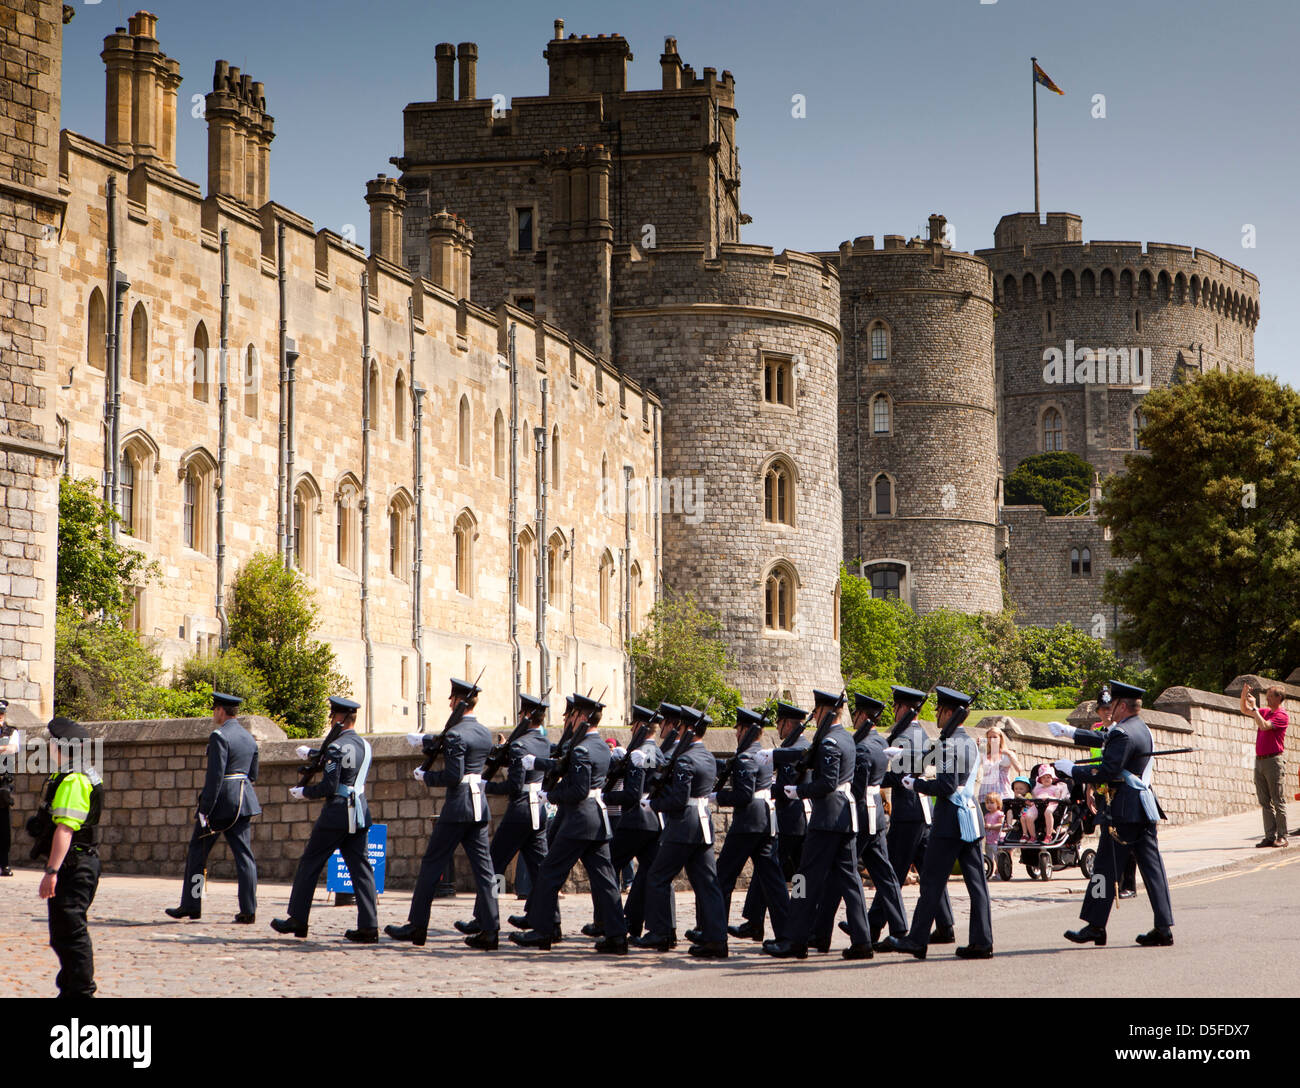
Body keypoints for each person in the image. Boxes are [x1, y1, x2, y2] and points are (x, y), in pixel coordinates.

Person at [1057, 680, 1175, 948]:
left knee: (1103, 870)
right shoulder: (1141, 729)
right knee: (1153, 870)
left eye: (1113, 706)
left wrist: (1073, 770)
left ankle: (1095, 925)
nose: (1111, 710)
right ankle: (1163, 926)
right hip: (1143, 808)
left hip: (1122, 811)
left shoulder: (1122, 733)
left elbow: (1108, 770)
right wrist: (1071, 732)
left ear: (1122, 705)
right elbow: (1105, 738)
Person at [508, 693, 629, 954]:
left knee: (549, 872)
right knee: (605, 879)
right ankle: (617, 935)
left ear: (582, 717)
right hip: (596, 819)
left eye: (573, 715)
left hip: (579, 820)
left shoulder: (583, 748)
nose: (570, 719)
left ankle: (543, 930)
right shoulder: (598, 746)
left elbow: (578, 790)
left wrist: (550, 795)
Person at [388, 678, 499, 950]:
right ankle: (490, 929)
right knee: (485, 871)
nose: (449, 703)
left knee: (431, 864)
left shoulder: (456, 733)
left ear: (459, 702)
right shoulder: (484, 733)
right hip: (478, 805)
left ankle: (417, 926)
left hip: (459, 805)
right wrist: (426, 740)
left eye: (452, 699)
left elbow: (452, 775)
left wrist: (426, 777)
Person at [763, 689, 873, 961]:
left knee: (802, 877)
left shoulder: (830, 742)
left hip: (827, 820)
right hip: (845, 818)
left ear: (825, 712)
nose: (814, 717)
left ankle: (794, 939)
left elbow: (827, 783)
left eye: (816, 712)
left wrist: (796, 792)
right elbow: (807, 755)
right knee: (850, 880)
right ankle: (863, 939)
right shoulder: (846, 738)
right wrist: (776, 755)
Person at [888, 686, 994, 960]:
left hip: (949, 822)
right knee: (977, 885)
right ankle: (982, 941)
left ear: (949, 712)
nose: (935, 714)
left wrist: (917, 784)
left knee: (932, 883)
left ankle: (917, 939)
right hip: (970, 819)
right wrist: (900, 759)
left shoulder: (949, 744)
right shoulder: (967, 741)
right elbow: (931, 760)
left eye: (939, 710)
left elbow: (945, 785)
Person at [272, 696, 377, 943]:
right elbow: (345, 767)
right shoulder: (365, 745)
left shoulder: (335, 746)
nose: (331, 722)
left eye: (332, 718)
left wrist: (305, 792)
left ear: (339, 719)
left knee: (310, 863)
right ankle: (369, 926)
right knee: (362, 870)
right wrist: (314, 753)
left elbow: (330, 785)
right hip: (360, 812)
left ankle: (298, 919)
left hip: (337, 813)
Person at [632, 706, 728, 958]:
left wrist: (653, 804)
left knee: (657, 877)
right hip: (702, 823)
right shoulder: (705, 755)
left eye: (681, 728)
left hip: (685, 826)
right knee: (708, 884)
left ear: (687, 729)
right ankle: (715, 938)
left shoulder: (686, 759)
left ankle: (660, 932)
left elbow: (678, 799)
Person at [459, 692, 557, 938]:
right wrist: (505, 751)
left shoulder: (519, 745)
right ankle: (552, 921)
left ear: (525, 715)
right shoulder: (543, 742)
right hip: (538, 811)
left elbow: (513, 786)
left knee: (493, 867)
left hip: (520, 811)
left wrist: (486, 787)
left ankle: (485, 918)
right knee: (540, 870)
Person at [818, 692, 908, 953]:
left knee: (839, 875)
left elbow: (855, 788)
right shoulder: (879, 741)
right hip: (877, 813)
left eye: (856, 714)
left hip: (858, 813)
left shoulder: (861, 746)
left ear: (862, 715)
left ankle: (825, 931)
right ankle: (899, 926)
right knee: (884, 873)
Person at [872, 685, 957, 948]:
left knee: (892, 872)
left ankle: (875, 926)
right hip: (922, 810)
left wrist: (872, 780)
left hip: (908, 811)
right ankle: (944, 925)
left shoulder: (904, 737)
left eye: (896, 707)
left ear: (903, 708)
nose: (894, 713)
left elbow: (898, 777)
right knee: (930, 872)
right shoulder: (920, 733)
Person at [166, 692, 260, 923]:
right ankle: (248, 910)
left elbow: (215, 777)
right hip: (244, 800)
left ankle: (192, 904)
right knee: (244, 857)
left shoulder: (219, 736)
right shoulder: (249, 738)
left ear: (220, 711)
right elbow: (253, 774)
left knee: (198, 852)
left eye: (214, 710)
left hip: (221, 804)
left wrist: (204, 808)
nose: (213, 714)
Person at [30, 716, 103, 997]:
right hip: (78, 862)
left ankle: (81, 992)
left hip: (75, 864)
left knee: (71, 933)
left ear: (60, 746)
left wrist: (52, 871)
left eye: (51, 741)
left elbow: (65, 829)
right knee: (63, 933)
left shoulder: (73, 779)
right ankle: (70, 989)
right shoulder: (76, 772)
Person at [708, 707, 790, 945]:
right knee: (772, 882)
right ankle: (786, 933)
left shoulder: (746, 757)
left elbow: (743, 795)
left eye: (738, 730)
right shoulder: (762, 754)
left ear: (745, 730)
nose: (735, 734)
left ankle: (714, 934)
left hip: (748, 824)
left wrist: (719, 798)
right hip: (765, 821)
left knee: (722, 877)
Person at [733, 700, 809, 941]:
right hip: (798, 820)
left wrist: (766, 792)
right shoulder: (798, 745)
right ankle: (793, 917)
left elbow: (786, 785)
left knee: (772, 873)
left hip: (790, 820)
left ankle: (772, 921)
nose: (778, 729)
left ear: (787, 723)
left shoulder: (795, 749)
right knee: (793, 874)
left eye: (780, 724)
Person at [593, 703, 665, 940]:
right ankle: (637, 923)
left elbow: (633, 794)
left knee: (606, 866)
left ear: (638, 727)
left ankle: (609, 922)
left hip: (635, 820)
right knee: (649, 873)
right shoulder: (656, 751)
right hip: (654, 821)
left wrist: (605, 796)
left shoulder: (640, 753)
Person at [1241, 683, 1289, 848]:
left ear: (1278, 698)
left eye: (1269, 695)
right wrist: (1243, 696)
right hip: (1260, 760)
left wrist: (1255, 708)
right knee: (1264, 801)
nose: (1266, 698)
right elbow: (1245, 710)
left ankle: (1282, 836)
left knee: (1278, 800)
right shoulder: (1266, 712)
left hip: (1274, 761)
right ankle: (1269, 836)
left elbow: (1264, 726)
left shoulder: (1281, 715)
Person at [1023, 764, 1068, 843]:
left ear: (1052, 778)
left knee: (1048, 812)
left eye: (1048, 777)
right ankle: (1033, 836)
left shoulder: (1056, 787)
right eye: (1043, 777)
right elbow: (1034, 797)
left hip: (1051, 803)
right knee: (1028, 815)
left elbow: (1059, 798)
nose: (1046, 779)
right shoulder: (1037, 789)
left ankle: (1048, 835)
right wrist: (1030, 801)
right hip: (1038, 804)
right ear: (1040, 780)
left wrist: (1052, 798)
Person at [978, 724, 1022, 802]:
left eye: (995, 737)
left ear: (1000, 738)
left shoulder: (1007, 754)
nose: (992, 739)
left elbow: (1019, 769)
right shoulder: (984, 754)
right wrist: (979, 747)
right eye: (990, 737)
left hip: (1002, 794)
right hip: (986, 794)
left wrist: (1010, 754)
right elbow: (975, 765)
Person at [0, 699, 19, 877]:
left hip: (2, 783)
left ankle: (4, 863)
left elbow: (12, 748)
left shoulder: (11, 731)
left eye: (1, 713)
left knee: (3, 826)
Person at [983, 792, 1005, 871]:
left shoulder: (999, 814)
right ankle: (989, 871)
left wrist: (991, 826)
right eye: (987, 803)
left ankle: (1000, 871)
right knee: (989, 858)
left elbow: (1001, 825)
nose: (989, 805)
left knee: (997, 858)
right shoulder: (987, 815)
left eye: (992, 803)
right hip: (988, 841)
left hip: (997, 841)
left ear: (998, 804)